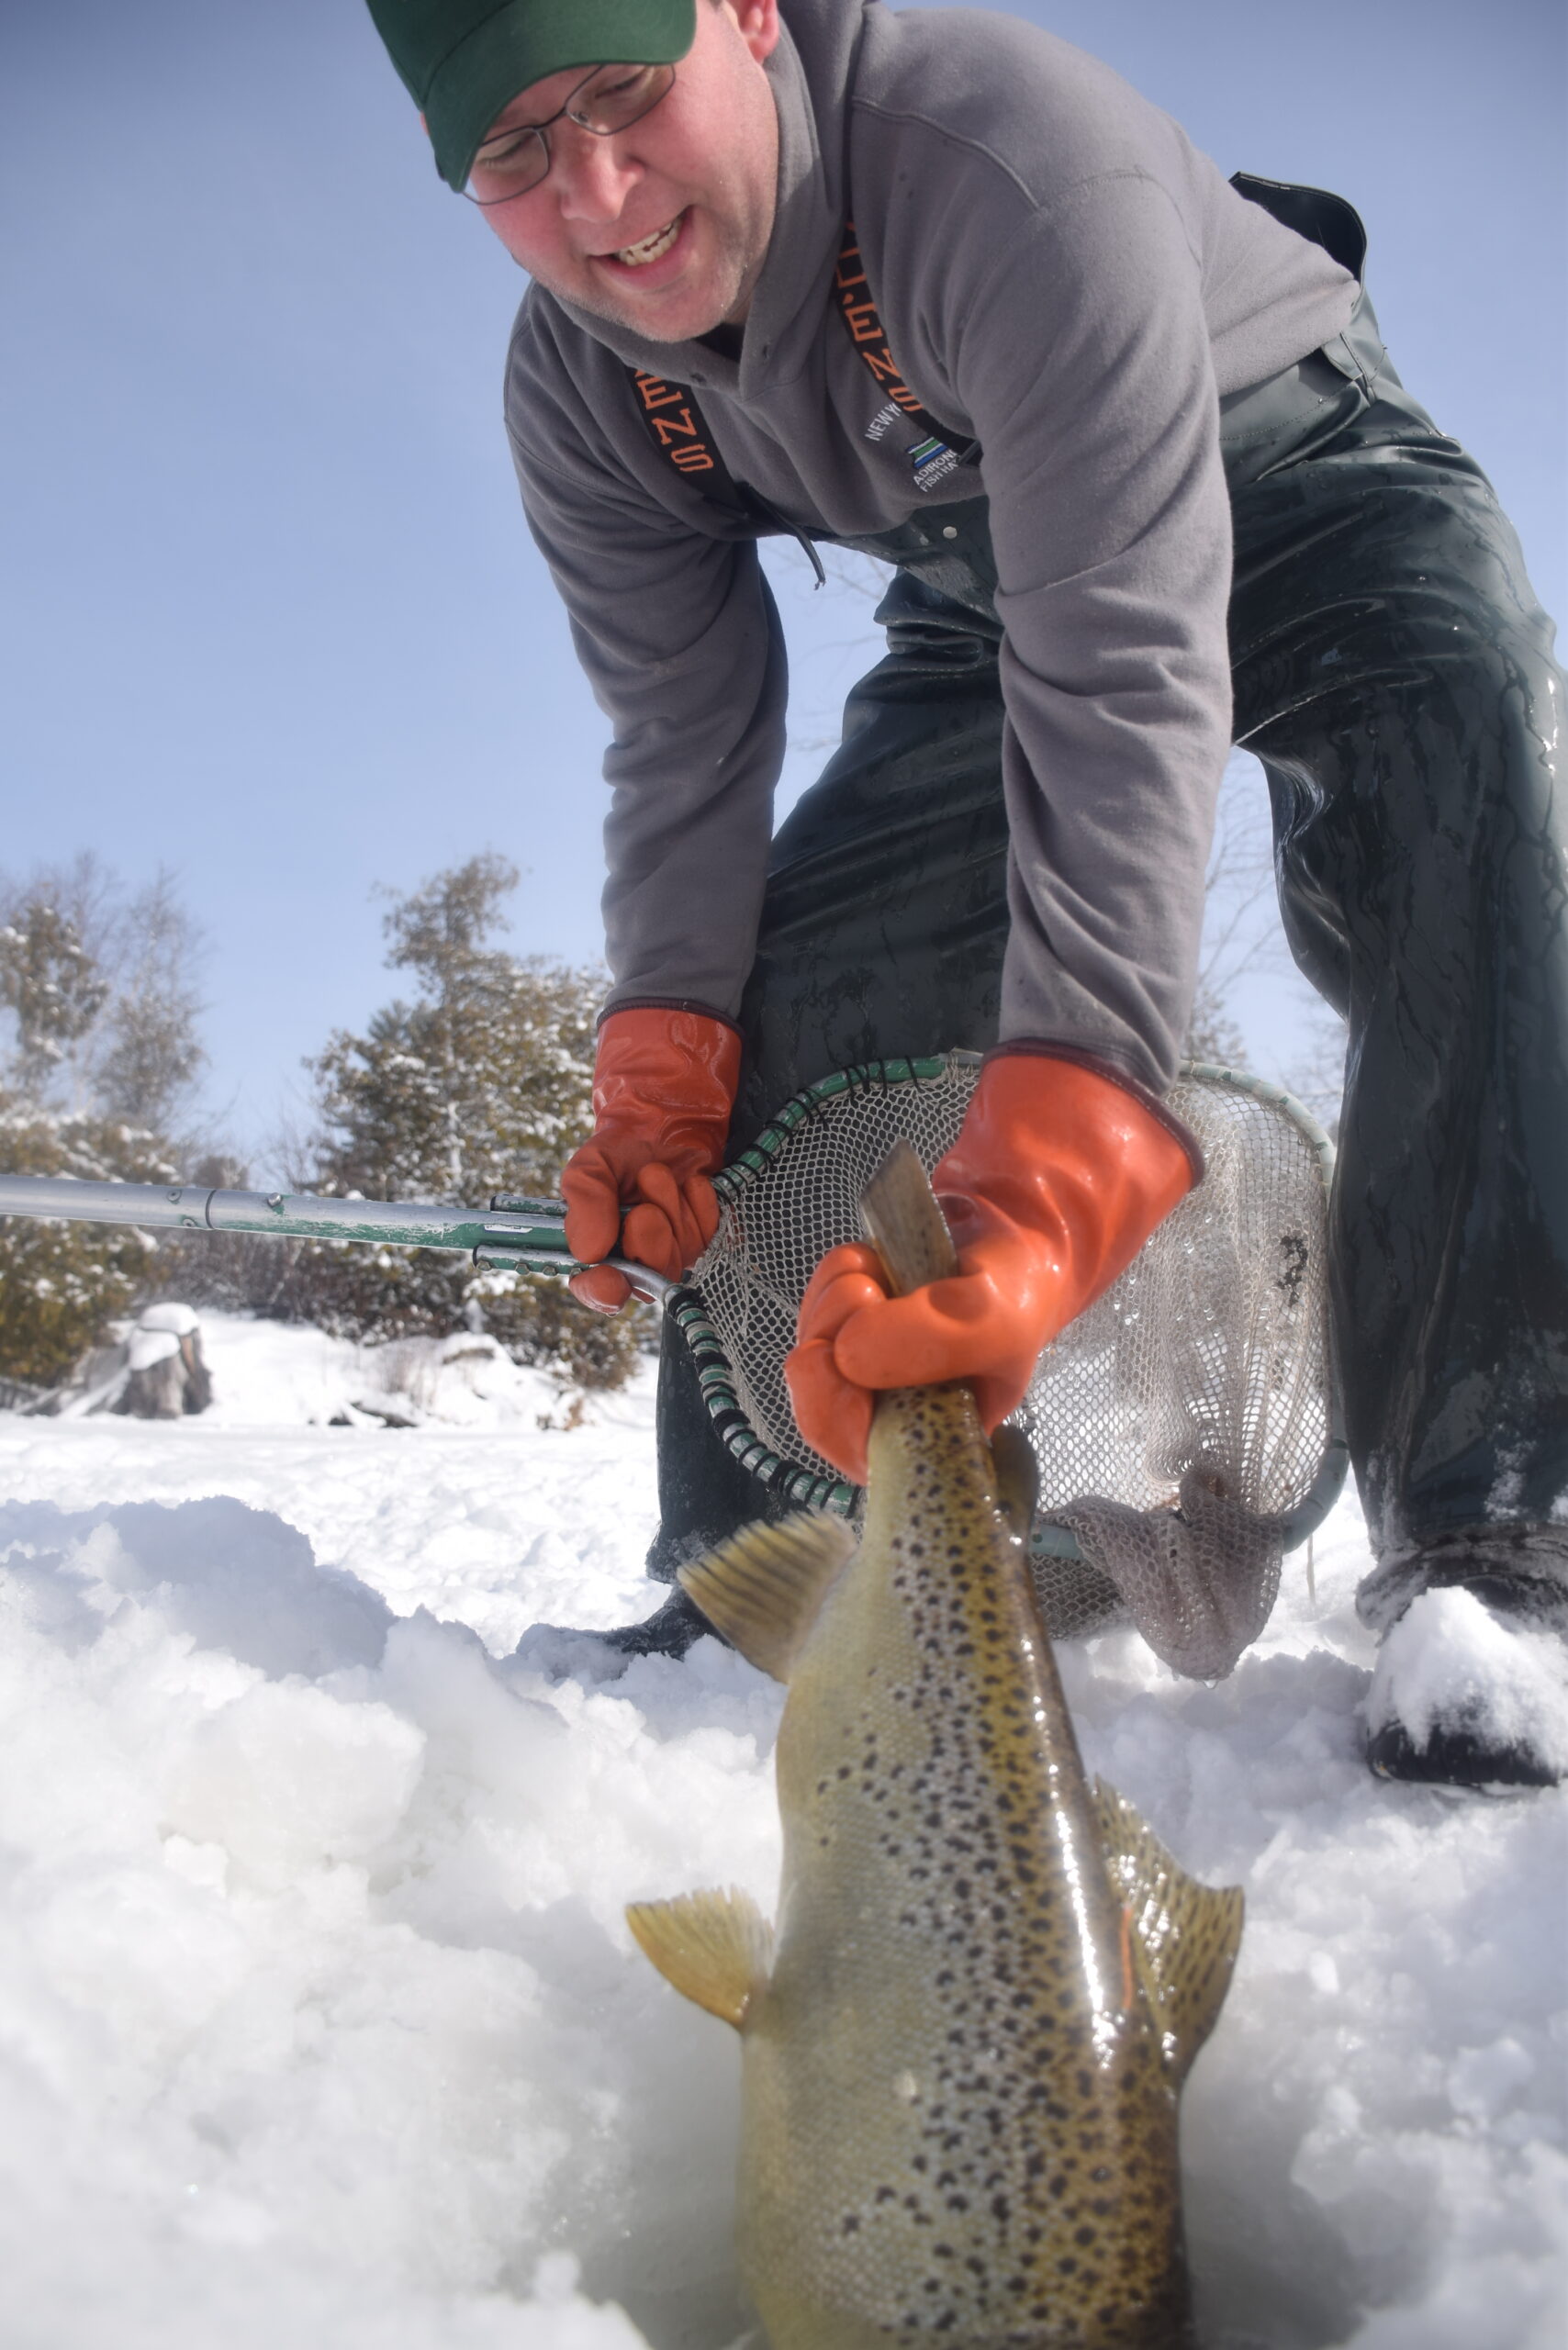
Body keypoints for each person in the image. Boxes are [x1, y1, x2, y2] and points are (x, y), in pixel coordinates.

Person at [365, 0, 1567, 1785]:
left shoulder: (997, 163)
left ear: (745, 14)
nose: (599, 194)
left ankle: (1493, 1539)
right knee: (796, 963)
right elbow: (683, 744)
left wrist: (1065, 1128)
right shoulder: (582, 389)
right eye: (514, 155)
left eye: (623, 97)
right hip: (982, 579)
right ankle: (757, 1579)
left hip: (1303, 487)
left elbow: (1124, 674)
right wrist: (664, 1062)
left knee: (1468, 794)